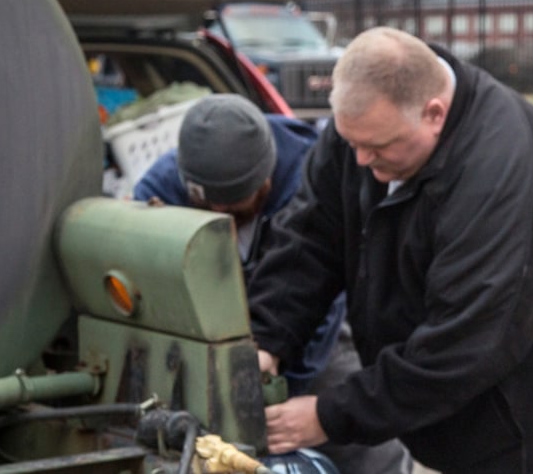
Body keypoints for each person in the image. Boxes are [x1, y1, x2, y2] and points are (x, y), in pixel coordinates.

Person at [244, 27, 533, 473]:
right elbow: (311, 239)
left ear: (434, 113)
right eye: (349, 142)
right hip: (479, 408)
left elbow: (468, 341)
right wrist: (268, 339)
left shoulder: (499, 170)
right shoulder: (368, 128)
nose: (359, 161)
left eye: (376, 148)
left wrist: (329, 416)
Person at [132, 94, 411, 474]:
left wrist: (288, 395)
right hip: (205, 327)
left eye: (234, 205)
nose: (220, 213)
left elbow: (321, 288)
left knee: (356, 431)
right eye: (208, 203)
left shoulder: (308, 175)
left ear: (267, 176)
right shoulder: (160, 189)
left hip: (309, 317)